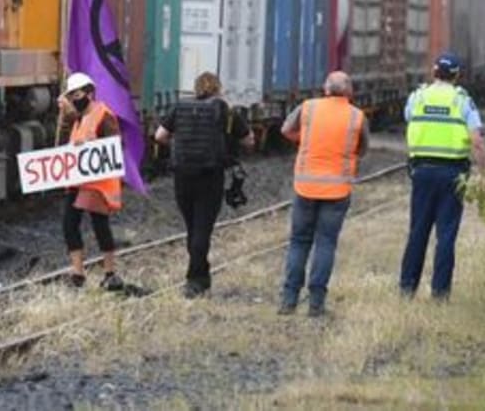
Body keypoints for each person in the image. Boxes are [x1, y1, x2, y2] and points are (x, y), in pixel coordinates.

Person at [155, 72, 254, 298]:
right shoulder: (225, 111)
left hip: (182, 176)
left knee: (192, 226)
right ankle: (195, 280)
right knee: (203, 228)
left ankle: (201, 276)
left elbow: (160, 136)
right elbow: (249, 140)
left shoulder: (179, 107)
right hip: (210, 177)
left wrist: (179, 143)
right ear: (218, 88)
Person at [278, 71, 369, 317]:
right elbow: (362, 149)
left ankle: (288, 300)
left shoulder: (308, 107)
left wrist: (305, 142)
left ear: (326, 89)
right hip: (338, 190)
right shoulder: (357, 116)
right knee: (325, 243)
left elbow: (285, 129)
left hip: (305, 187)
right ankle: (316, 304)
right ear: (349, 91)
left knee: (298, 242)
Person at [400, 52, 485, 301]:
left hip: (422, 172)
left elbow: (409, 119)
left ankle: (407, 289)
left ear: (434, 71)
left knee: (417, 231)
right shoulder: (462, 100)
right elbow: (477, 141)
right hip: (453, 175)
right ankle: (440, 294)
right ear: (457, 75)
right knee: (446, 235)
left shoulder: (417, 97)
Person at [56, 72, 124, 291]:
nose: (74, 99)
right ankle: (78, 273)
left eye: (76, 94)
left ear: (89, 93)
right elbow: (61, 145)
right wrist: (64, 118)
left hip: (97, 183)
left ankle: (110, 273)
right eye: (71, 95)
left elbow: (115, 147)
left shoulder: (104, 115)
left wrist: (92, 145)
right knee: (69, 224)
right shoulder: (76, 118)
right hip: (77, 181)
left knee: (99, 225)